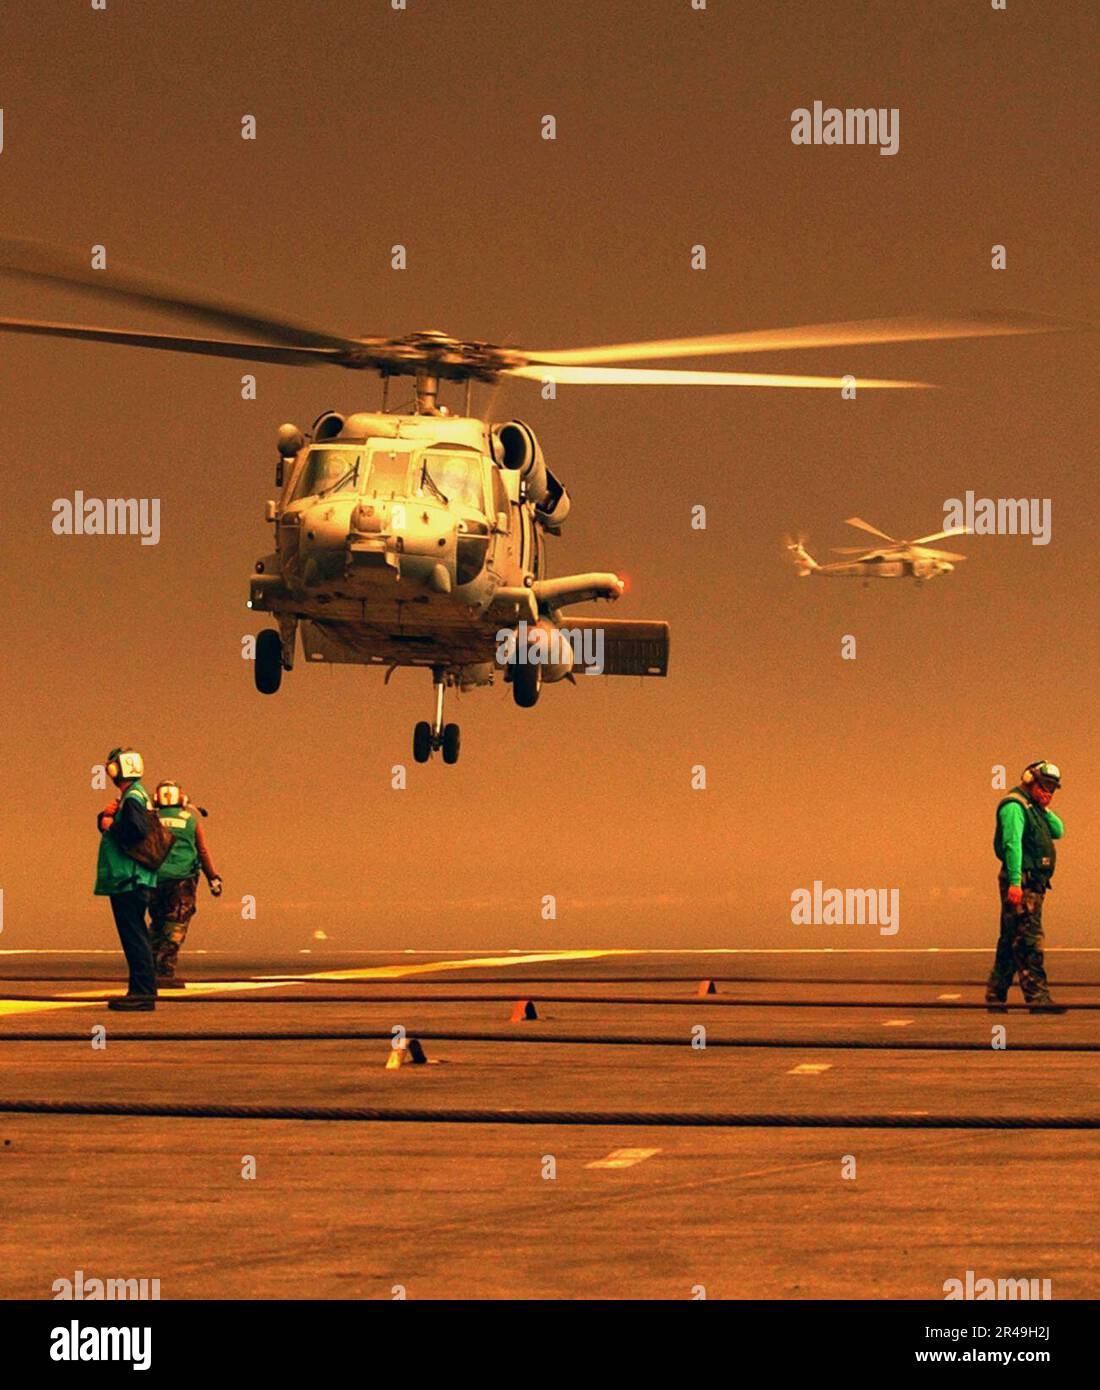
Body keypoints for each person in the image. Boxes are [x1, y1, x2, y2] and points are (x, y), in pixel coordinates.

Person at [986, 760, 1067, 1014]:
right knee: (1029, 939)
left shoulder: (1034, 808)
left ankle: (995, 993)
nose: (1049, 793)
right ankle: (1037, 997)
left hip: (1032, 883)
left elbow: (1058, 830)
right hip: (1022, 881)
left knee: (1012, 937)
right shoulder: (1014, 807)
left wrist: (1043, 807)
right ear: (1029, 781)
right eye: (1044, 787)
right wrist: (1014, 882)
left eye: (1052, 790)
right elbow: (1012, 844)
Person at [95, 747, 160, 1011]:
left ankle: (142, 994)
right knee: (136, 935)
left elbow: (135, 830)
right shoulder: (135, 796)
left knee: (134, 936)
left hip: (128, 879)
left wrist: (111, 825)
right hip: (134, 878)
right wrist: (105, 818)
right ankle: (140, 991)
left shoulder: (132, 796)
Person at [148, 781, 222, 988]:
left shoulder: (150, 819)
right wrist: (213, 878)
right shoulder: (190, 820)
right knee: (177, 924)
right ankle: (165, 972)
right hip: (182, 882)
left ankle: (149, 970)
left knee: (158, 923)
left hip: (154, 880)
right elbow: (202, 851)